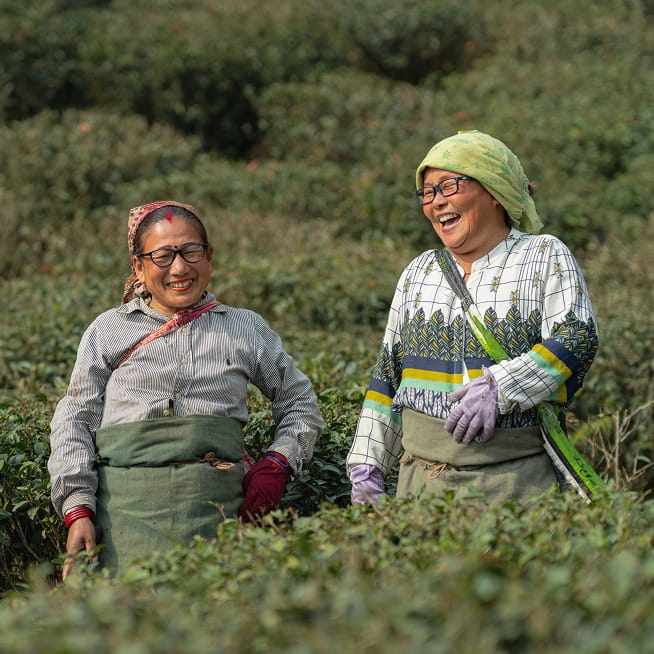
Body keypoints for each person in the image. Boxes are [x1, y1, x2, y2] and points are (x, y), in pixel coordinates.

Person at [48, 200, 324, 577]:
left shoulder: (244, 328)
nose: (179, 268)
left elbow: (299, 402)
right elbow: (74, 420)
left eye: (191, 251)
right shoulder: (108, 331)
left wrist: (279, 462)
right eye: (162, 256)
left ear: (209, 257)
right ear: (138, 267)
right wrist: (78, 508)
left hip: (220, 521)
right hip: (123, 525)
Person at [347, 130, 599, 505]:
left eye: (450, 186)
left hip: (514, 483)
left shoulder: (542, 255)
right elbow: (389, 372)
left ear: (494, 190)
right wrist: (367, 465)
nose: (437, 201)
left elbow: (577, 337)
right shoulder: (418, 271)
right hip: (420, 487)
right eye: (427, 192)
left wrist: (502, 386)